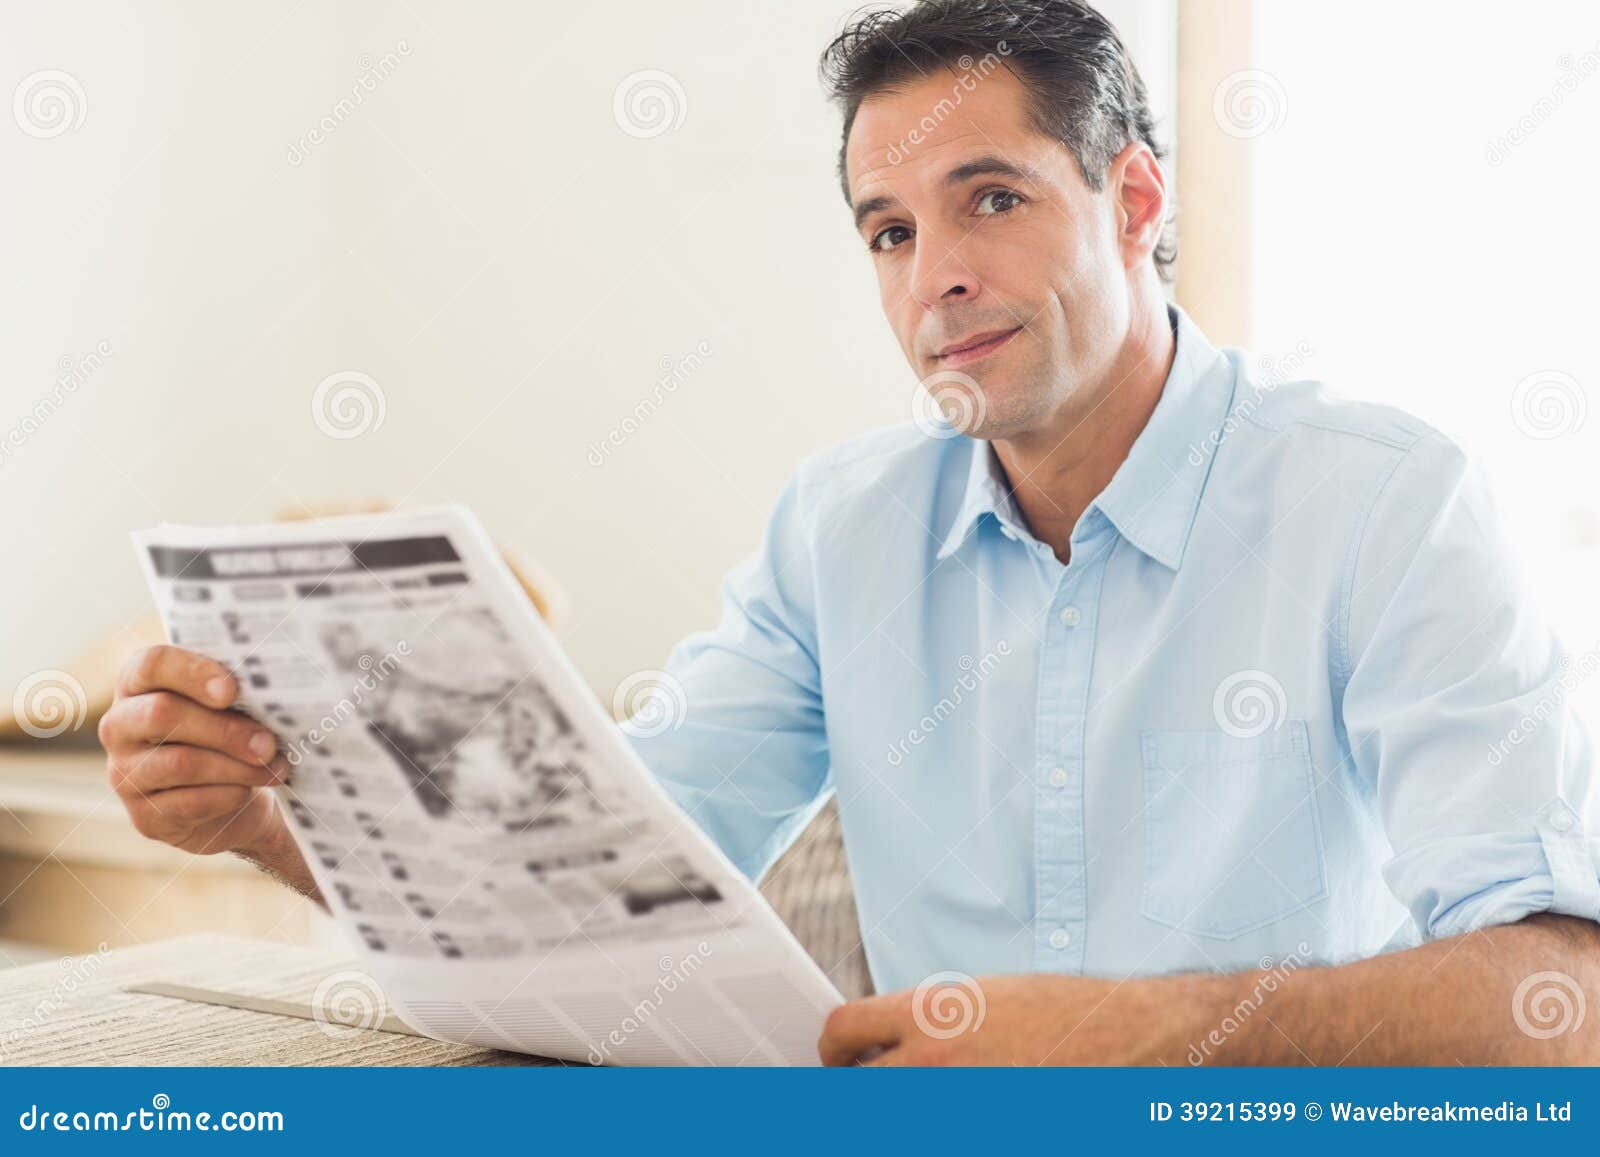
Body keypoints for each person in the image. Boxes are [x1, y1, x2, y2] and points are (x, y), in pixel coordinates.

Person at [99, 0, 1600, 1065]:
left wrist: (1139, 1038)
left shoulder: (1386, 502)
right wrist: (264, 826)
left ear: (1135, 197)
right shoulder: (841, 529)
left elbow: (1563, 1000)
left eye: (991, 198)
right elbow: (587, 902)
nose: (933, 279)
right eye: (889, 229)